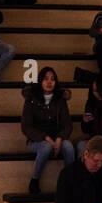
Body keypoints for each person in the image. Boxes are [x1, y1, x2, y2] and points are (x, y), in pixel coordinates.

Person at [22, 66, 75, 194]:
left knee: (68, 146)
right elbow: (26, 127)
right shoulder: (31, 99)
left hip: (57, 138)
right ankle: (34, 180)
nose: (49, 82)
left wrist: (59, 138)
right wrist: (45, 138)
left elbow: (67, 125)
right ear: (40, 81)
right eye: (46, 79)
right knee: (46, 147)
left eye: (52, 79)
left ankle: (71, 183)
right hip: (37, 140)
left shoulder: (60, 99)